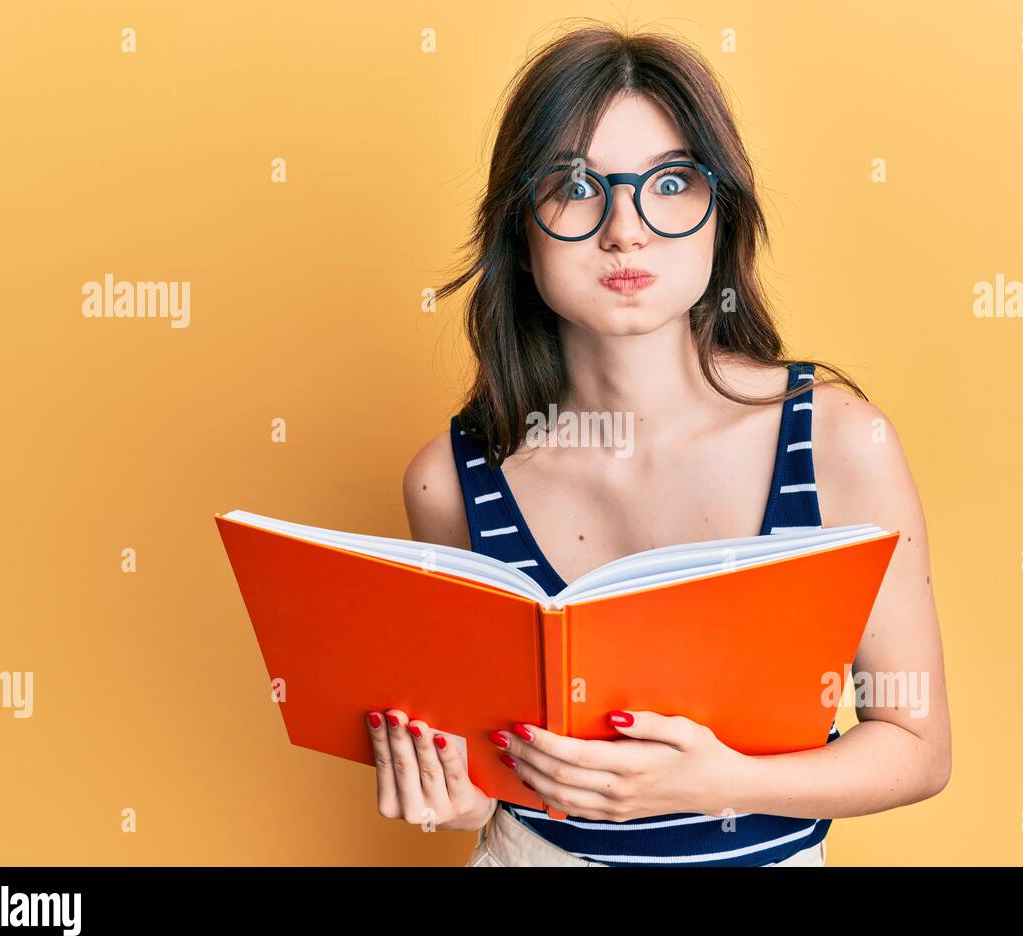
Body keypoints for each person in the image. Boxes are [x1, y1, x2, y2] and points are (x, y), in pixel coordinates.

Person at [369, 22, 951, 867]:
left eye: (670, 183)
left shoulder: (835, 443)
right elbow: (480, 779)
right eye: (575, 186)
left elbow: (918, 746)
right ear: (519, 234)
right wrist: (452, 799)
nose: (626, 230)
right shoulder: (452, 482)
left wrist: (722, 783)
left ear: (722, 216)